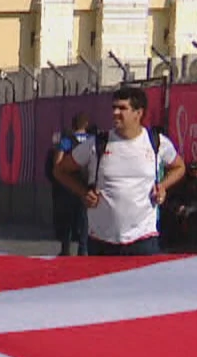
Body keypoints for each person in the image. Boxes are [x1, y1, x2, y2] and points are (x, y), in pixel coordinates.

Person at [55, 85, 185, 256]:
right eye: (114, 108)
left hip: (144, 240)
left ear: (138, 113)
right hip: (102, 242)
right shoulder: (98, 143)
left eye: (122, 108)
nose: (115, 112)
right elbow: (60, 170)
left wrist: (162, 186)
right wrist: (83, 192)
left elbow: (179, 167)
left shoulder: (156, 142)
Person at [45, 114, 91, 256]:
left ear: (73, 126)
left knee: (67, 219)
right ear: (86, 125)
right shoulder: (91, 141)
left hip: (69, 185)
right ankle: (83, 249)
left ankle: (65, 249)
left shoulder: (67, 141)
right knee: (84, 219)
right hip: (86, 183)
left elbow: (57, 163)